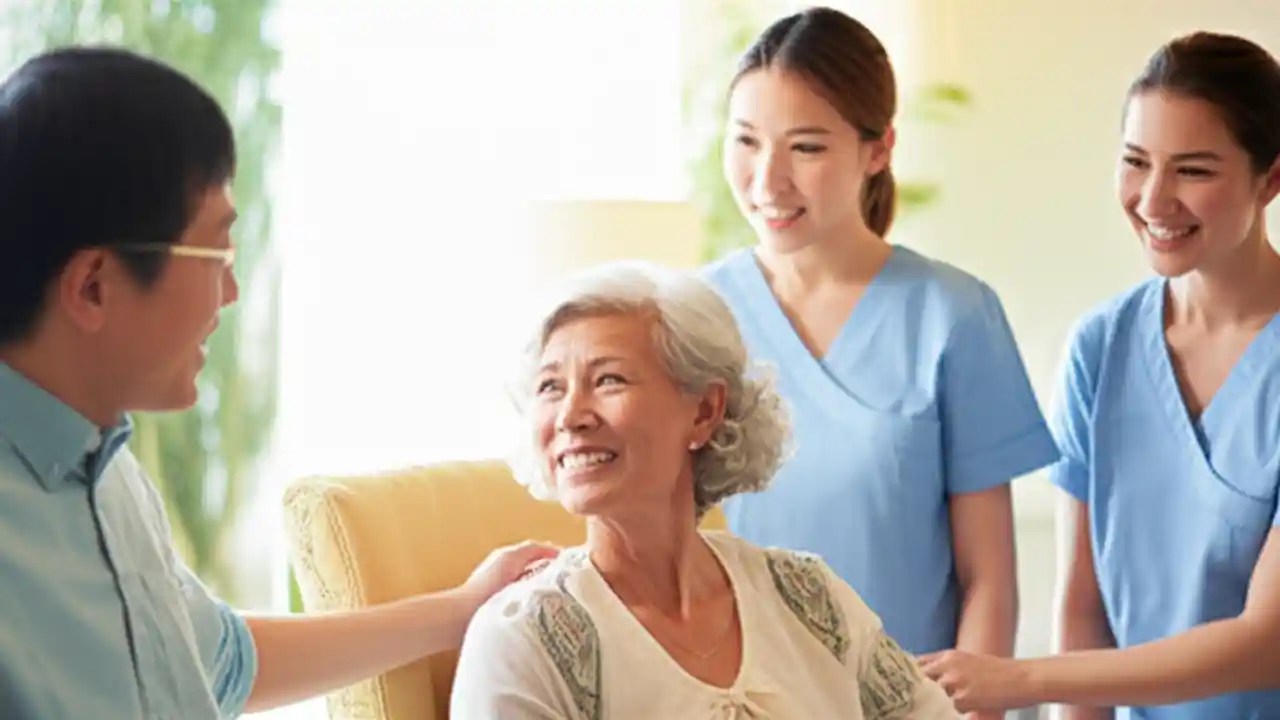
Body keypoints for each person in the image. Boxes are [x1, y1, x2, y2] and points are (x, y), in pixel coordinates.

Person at [0, 47, 555, 719]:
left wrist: (460, 612)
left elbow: (222, 662)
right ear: (94, 286)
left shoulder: (106, 471)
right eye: (216, 254)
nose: (230, 293)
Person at [919, 32, 1280, 719]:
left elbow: (1268, 642)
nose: (1153, 199)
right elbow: (1083, 612)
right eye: (1136, 162)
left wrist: (1023, 681)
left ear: (1270, 178)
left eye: (1194, 170)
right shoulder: (1102, 347)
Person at [700, 5, 1058, 678]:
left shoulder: (954, 316)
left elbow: (990, 584)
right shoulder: (692, 318)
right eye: (746, 141)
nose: (767, 179)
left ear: (879, 149)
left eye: (806, 147)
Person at [450, 261, 960, 718]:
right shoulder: (524, 639)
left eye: (608, 380)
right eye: (550, 387)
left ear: (704, 411)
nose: (571, 416)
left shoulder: (807, 595)